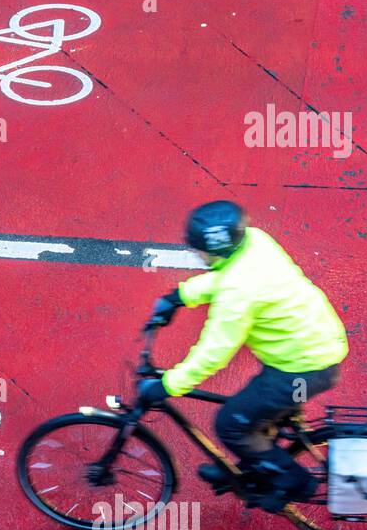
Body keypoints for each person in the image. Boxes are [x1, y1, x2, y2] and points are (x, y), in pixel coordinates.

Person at [138, 200, 349, 511]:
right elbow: (226, 276)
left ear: (213, 249)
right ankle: (254, 467)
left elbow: (214, 352)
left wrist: (169, 385)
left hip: (301, 366)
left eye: (199, 249)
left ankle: (296, 482)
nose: (197, 254)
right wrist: (181, 296)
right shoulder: (255, 240)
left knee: (230, 423)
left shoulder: (238, 293)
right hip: (315, 342)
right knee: (253, 410)